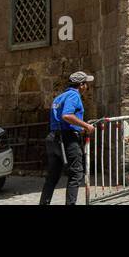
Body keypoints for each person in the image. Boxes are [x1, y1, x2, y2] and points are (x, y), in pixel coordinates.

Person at [40, 71, 97, 205]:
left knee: (52, 176)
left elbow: (60, 120)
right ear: (81, 85)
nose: (87, 87)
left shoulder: (59, 97)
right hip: (67, 139)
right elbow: (67, 116)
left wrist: (79, 128)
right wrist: (86, 126)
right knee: (76, 174)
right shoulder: (74, 95)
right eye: (86, 84)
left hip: (54, 138)